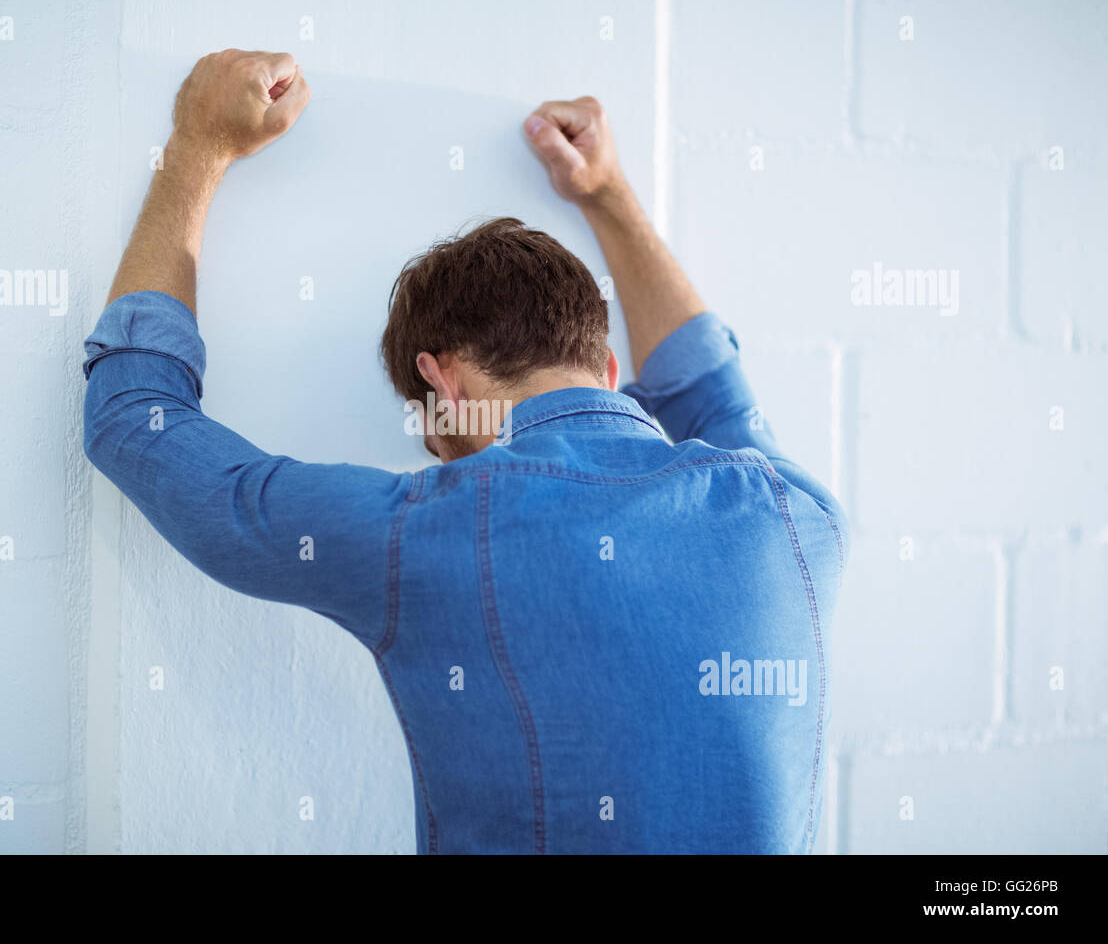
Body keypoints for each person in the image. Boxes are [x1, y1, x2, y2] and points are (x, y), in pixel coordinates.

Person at [83, 49, 848, 854]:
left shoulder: (428, 532)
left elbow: (134, 419)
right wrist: (608, 197)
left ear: (439, 385)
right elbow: (707, 393)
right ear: (612, 371)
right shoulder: (799, 516)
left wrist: (198, 144)